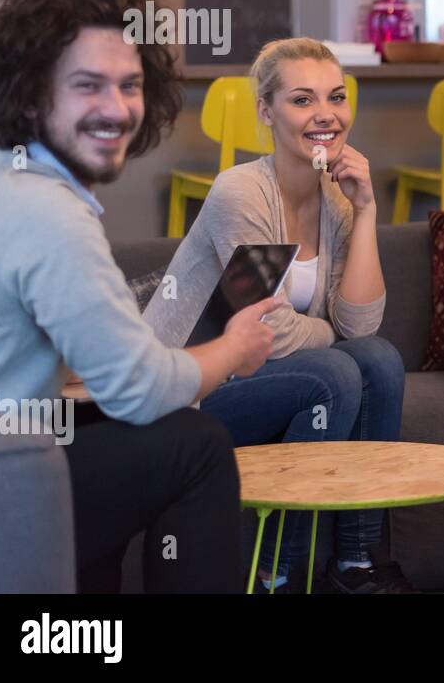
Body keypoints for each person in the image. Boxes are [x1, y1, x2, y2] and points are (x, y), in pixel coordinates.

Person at [0, 0, 276, 592]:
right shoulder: (47, 212)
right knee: (194, 443)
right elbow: (136, 387)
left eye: (129, 85)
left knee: (111, 435)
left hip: (3, 453)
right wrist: (234, 349)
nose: (115, 109)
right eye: (88, 86)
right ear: (30, 95)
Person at [143, 37, 407, 594]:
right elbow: (271, 329)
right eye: (302, 100)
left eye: (336, 97)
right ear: (266, 111)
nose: (325, 115)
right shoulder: (239, 194)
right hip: (190, 388)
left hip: (260, 377)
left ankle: (357, 564)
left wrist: (365, 211)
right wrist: (329, 332)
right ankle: (279, 574)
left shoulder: (335, 202)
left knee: (378, 361)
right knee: (335, 371)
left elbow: (362, 328)